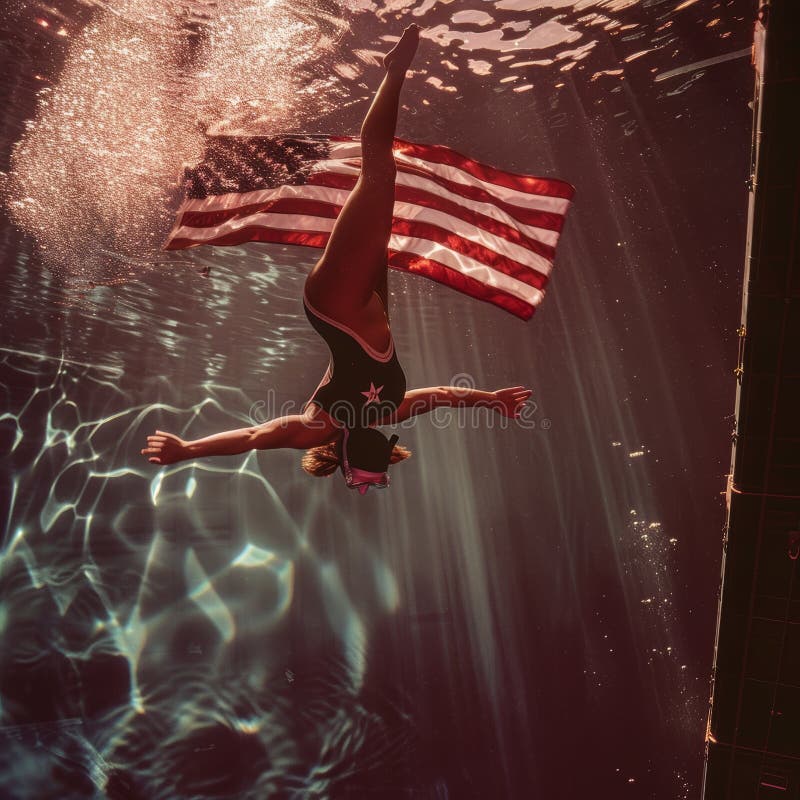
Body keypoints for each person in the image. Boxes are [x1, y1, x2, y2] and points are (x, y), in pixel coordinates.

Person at [141, 25, 532, 493]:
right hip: (368, 299)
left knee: (379, 174)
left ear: (343, 456)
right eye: (380, 467)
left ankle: (393, 73)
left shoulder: (319, 428)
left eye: (363, 474)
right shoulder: (391, 410)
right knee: (381, 183)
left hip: (338, 306)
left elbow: (252, 437)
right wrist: (492, 400)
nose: (376, 461)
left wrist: (187, 451)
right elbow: (448, 396)